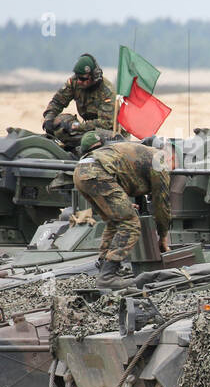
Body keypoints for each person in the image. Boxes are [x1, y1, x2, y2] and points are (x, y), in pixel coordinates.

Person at [72, 132, 173, 289]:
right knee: (130, 223)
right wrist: (163, 236)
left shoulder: (137, 152)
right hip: (98, 172)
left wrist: (124, 205)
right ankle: (108, 277)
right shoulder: (159, 160)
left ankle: (104, 267)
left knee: (114, 222)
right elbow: (162, 203)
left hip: (81, 171)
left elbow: (121, 174)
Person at [43, 54, 117, 150]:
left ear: (93, 77)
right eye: (77, 77)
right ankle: (73, 149)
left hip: (109, 133)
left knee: (91, 139)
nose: (79, 81)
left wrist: (77, 126)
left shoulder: (107, 92)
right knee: (61, 123)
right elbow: (57, 102)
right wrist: (49, 118)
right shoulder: (74, 82)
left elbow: (105, 123)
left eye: (83, 79)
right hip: (87, 129)